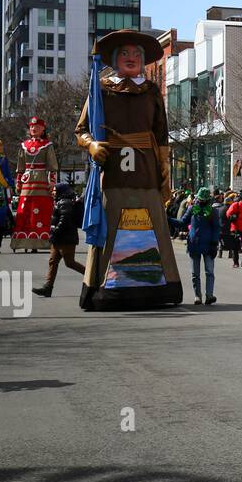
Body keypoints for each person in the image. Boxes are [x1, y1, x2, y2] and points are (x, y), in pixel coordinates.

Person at [77, 30, 184, 309]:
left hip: (146, 172)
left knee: (152, 223)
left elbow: (162, 136)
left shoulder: (150, 92)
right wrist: (91, 146)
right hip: (112, 172)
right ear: (113, 58)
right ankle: (104, 287)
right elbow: (81, 130)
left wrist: (165, 175)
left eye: (136, 54)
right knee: (111, 222)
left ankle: (161, 286)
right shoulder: (99, 89)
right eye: (125, 53)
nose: (131, 58)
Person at [10, 116, 59, 254]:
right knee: (25, 209)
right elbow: (20, 167)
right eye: (31, 126)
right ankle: (22, 240)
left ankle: (42, 240)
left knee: (41, 209)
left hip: (42, 180)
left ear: (43, 129)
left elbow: (52, 166)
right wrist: (18, 182)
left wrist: (52, 182)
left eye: (37, 126)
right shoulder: (24, 145)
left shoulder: (47, 145)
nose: (33, 128)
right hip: (27, 181)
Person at [32, 183, 86, 298]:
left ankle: (90, 277)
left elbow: (64, 219)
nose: (53, 192)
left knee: (70, 263)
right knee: (53, 262)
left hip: (66, 239)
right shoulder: (62, 201)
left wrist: (55, 230)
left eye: (55, 190)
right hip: (58, 239)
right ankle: (48, 288)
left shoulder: (65, 202)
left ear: (61, 191)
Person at [186, 188, 221, 305]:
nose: (201, 201)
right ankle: (197, 296)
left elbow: (216, 228)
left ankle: (209, 295)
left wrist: (215, 243)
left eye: (203, 200)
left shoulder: (213, 211)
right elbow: (182, 222)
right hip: (194, 244)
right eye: (200, 199)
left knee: (209, 272)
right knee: (195, 273)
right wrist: (167, 219)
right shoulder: (192, 209)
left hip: (209, 245)